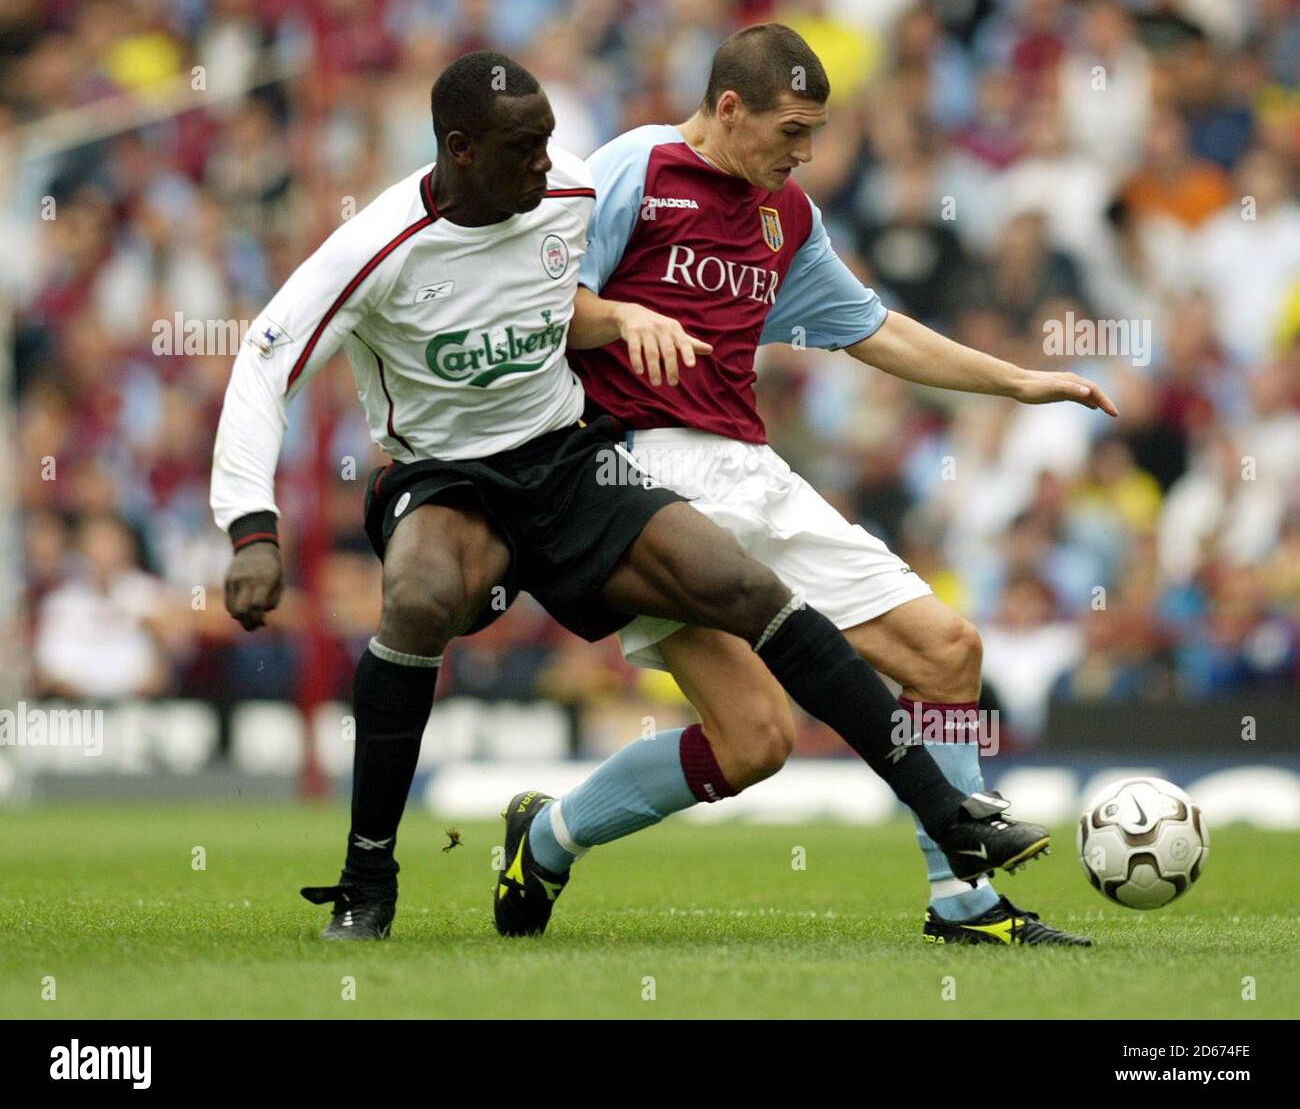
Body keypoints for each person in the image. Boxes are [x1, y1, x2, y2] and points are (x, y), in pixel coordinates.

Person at [210, 50, 1049, 940]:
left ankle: (952, 825)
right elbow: (265, 367)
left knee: (750, 606)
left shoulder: (566, 193)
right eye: (524, 148)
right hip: (450, 476)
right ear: (459, 149)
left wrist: (627, 316)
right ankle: (366, 878)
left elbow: (573, 303)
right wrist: (252, 529)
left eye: (547, 143)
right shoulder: (378, 245)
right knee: (419, 602)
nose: (547, 162)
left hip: (570, 460)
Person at [513, 24, 1114, 946]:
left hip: (748, 469)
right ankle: (549, 843)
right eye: (791, 130)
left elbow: (876, 328)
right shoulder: (632, 167)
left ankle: (962, 903)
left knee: (943, 653)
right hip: (634, 483)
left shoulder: (787, 215)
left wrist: (1019, 380)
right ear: (728, 108)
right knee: (759, 740)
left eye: (816, 132)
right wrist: (625, 316)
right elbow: (547, 307)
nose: (805, 153)